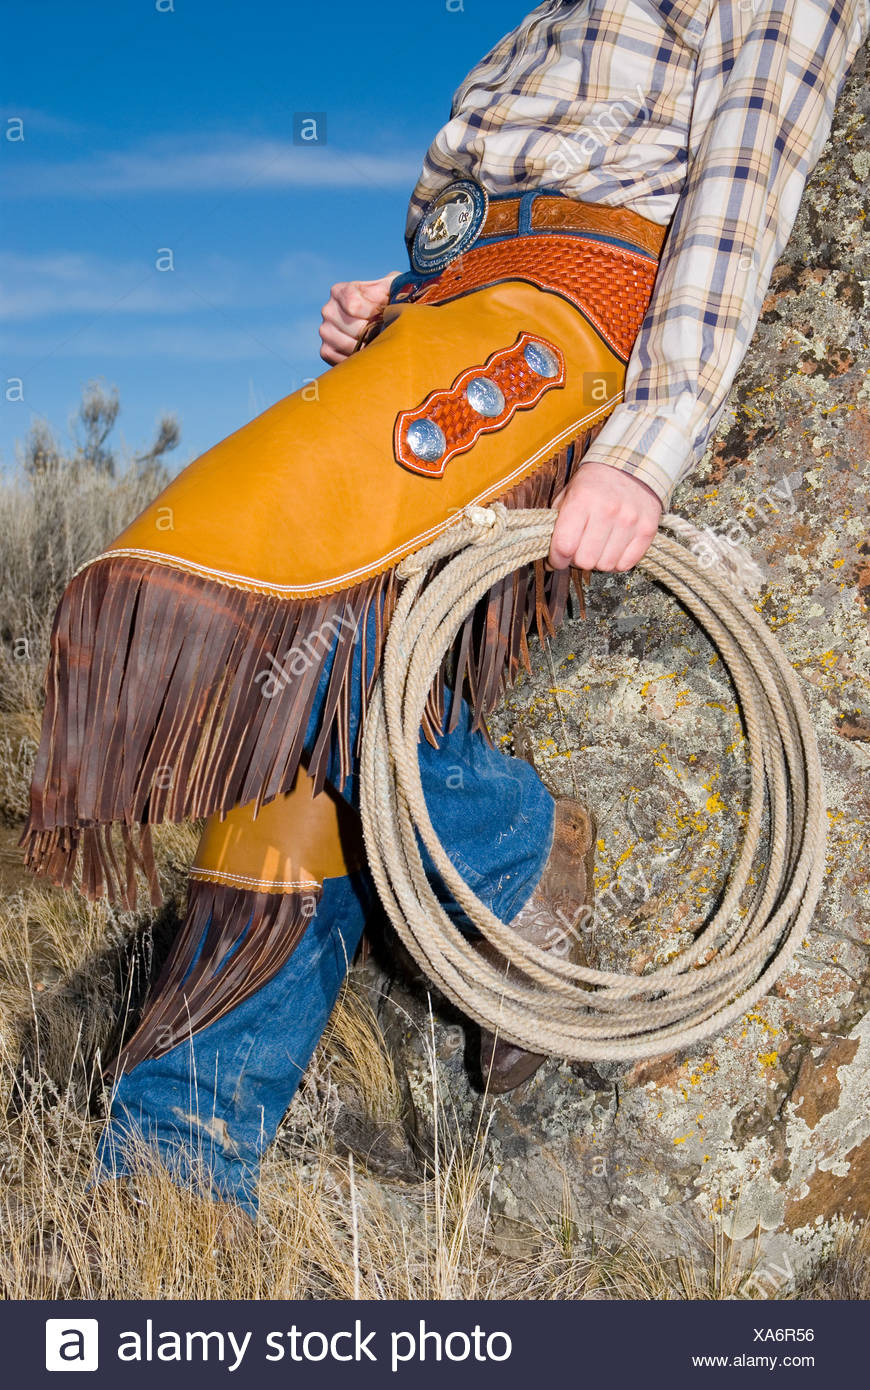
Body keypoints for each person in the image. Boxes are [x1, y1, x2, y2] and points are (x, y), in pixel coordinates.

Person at [22, 0, 869, 1226]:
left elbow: (744, 189)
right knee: (283, 738)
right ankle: (174, 1174)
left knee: (209, 585)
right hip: (457, 313)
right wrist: (406, 292)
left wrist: (649, 445)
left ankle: (499, 842)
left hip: (561, 319)